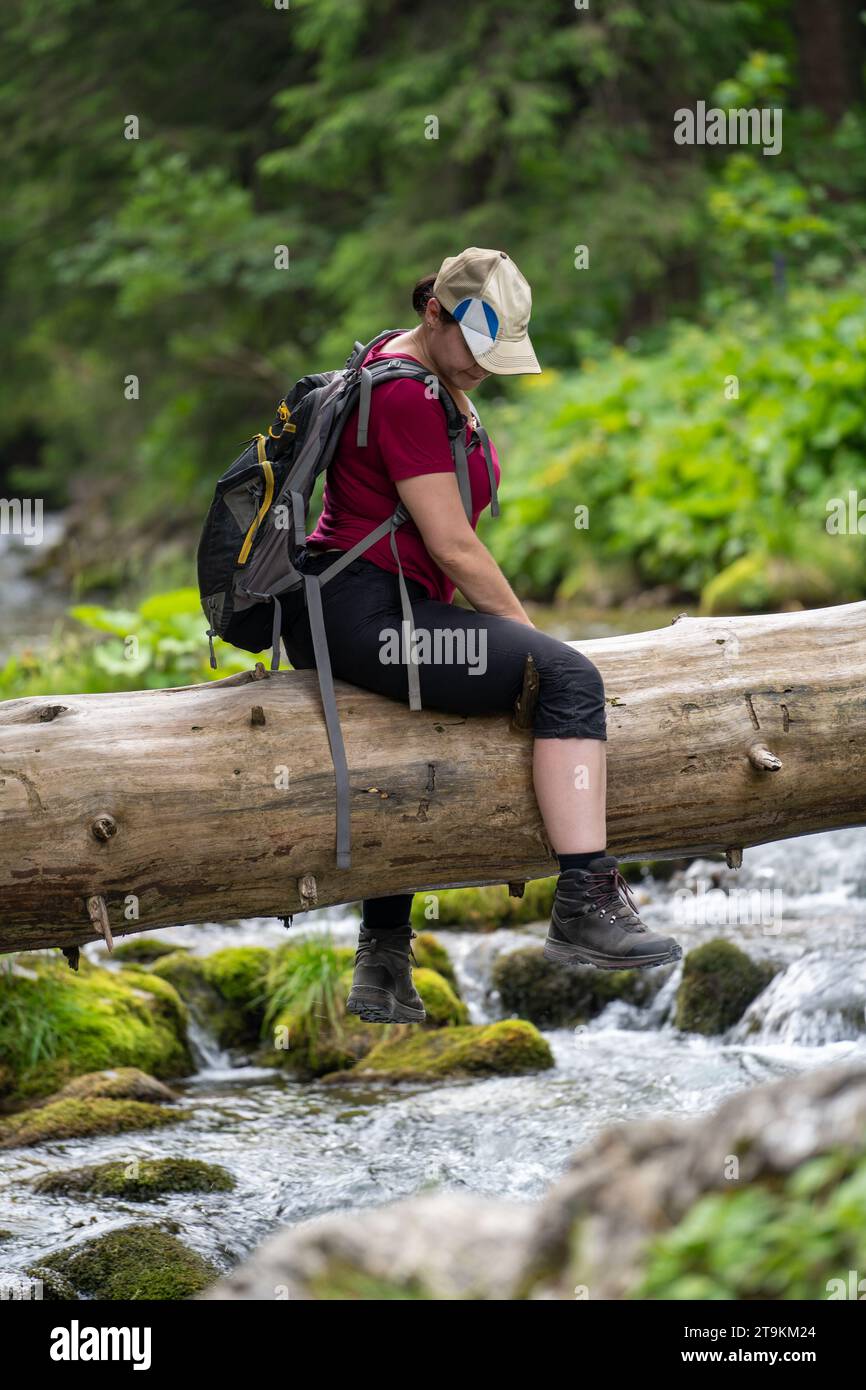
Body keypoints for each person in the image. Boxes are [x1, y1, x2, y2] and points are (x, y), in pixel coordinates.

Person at [282, 246, 682, 1024]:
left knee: (407, 741)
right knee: (570, 680)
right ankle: (583, 903)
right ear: (435, 312)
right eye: (479, 349)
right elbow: (453, 545)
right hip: (374, 622)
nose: (488, 369)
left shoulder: (408, 362)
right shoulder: (406, 396)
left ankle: (384, 958)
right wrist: (536, 648)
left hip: (363, 614)